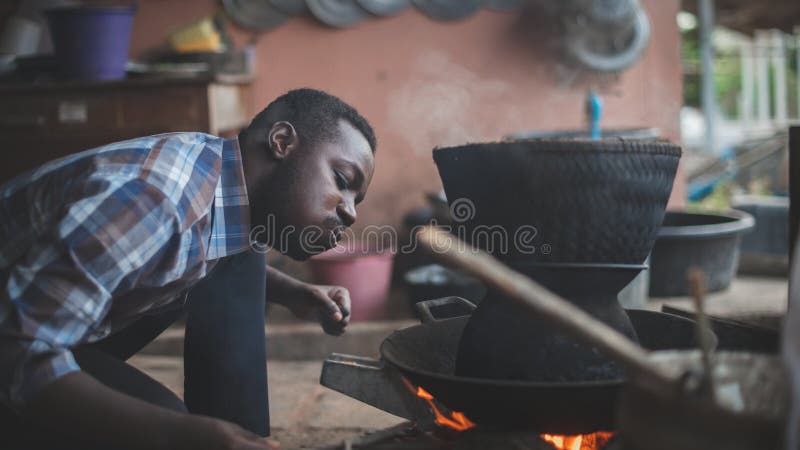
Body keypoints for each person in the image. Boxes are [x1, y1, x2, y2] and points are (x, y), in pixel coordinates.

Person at [0, 88, 376, 450]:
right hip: (15, 340)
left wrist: (294, 293)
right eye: (342, 181)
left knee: (244, 248)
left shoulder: (219, 173)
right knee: (161, 425)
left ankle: (243, 436)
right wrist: (174, 434)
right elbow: (17, 353)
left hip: (45, 318)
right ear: (282, 141)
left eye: (355, 199)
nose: (351, 212)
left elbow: (205, 247)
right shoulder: (155, 201)